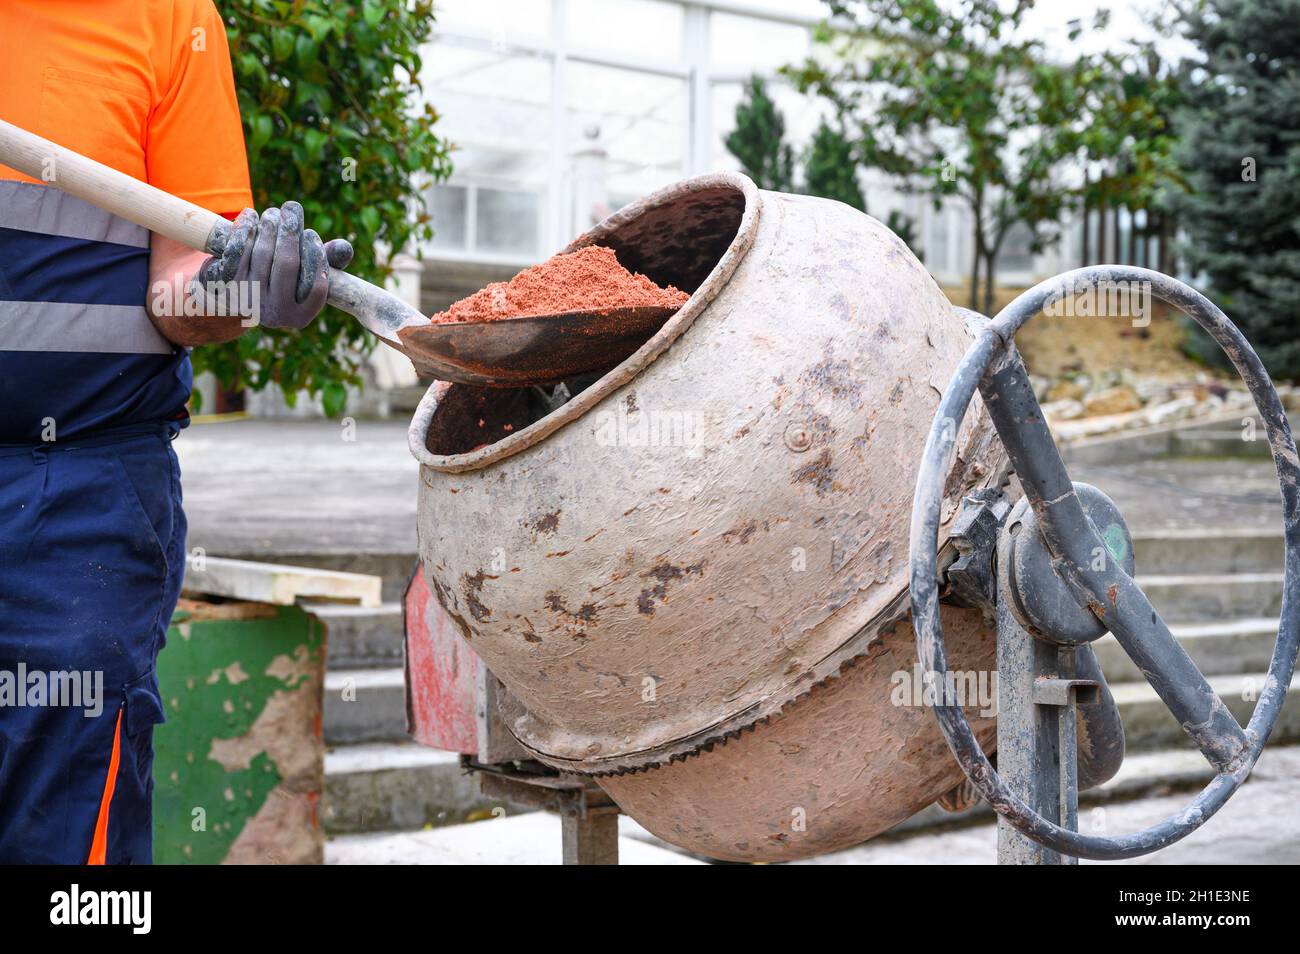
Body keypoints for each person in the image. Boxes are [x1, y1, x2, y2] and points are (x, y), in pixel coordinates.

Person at [0, 0, 351, 863]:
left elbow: (180, 289)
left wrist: (243, 289)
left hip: (78, 491)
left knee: (71, 819)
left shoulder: (172, 19)